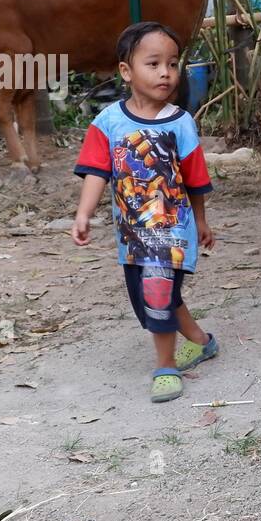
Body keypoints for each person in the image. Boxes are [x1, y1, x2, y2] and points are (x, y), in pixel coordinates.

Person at [71, 22, 219, 403]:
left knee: (157, 293)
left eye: (172, 64)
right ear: (126, 71)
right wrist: (83, 213)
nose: (165, 73)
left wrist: (201, 221)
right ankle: (202, 342)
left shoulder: (181, 123)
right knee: (156, 296)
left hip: (172, 231)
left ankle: (165, 366)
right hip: (132, 235)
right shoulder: (108, 123)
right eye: (153, 64)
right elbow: (96, 172)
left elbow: (195, 179)